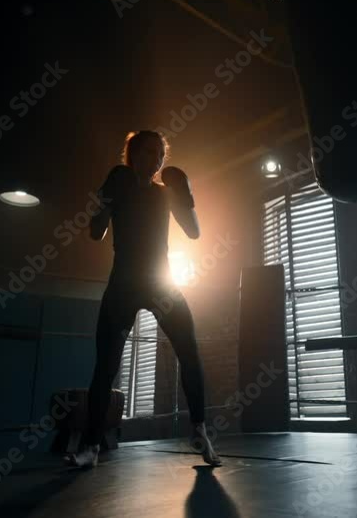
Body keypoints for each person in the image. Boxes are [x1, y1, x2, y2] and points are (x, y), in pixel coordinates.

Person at [65, 130, 222, 468]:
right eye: (149, 152)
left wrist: (185, 192)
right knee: (105, 366)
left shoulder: (166, 193)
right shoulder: (119, 184)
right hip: (123, 284)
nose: (156, 159)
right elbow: (95, 232)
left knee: (190, 353)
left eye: (160, 153)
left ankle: (200, 431)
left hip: (161, 283)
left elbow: (193, 232)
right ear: (133, 154)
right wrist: (104, 199)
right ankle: (91, 447)